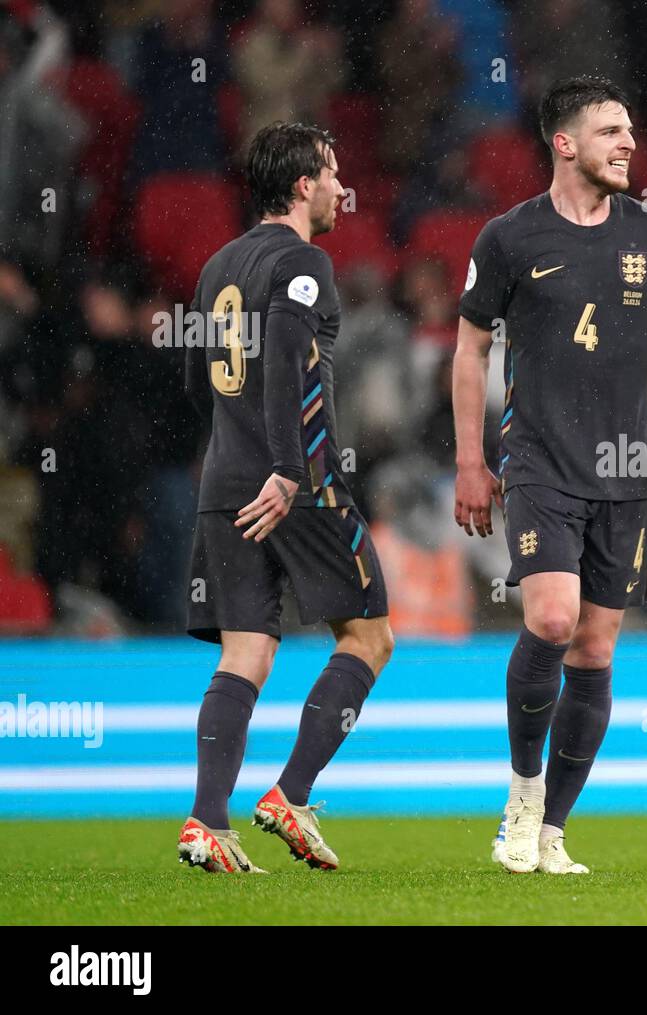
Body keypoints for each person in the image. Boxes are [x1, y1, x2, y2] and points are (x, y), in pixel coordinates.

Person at [454, 76, 647, 874]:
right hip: (540, 467)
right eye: (611, 131)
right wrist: (469, 459)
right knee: (551, 620)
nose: (628, 143)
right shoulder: (508, 238)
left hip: (627, 475)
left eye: (630, 130)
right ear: (564, 143)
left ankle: (550, 829)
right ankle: (520, 800)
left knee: (594, 650)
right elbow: (469, 349)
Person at [178, 122, 394, 874]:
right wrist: (290, 470)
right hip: (296, 480)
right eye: (332, 174)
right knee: (370, 637)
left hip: (222, 478)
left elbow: (198, 384)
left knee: (247, 651)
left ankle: (208, 820)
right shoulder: (305, 262)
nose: (342, 189)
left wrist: (241, 458)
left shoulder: (216, 267)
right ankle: (291, 794)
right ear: (303, 185)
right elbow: (283, 366)